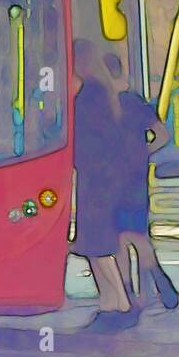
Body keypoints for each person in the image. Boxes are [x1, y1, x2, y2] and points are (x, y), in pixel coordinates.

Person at [105, 52, 179, 311]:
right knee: (137, 234)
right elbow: (163, 135)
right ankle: (158, 276)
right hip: (136, 177)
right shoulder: (135, 102)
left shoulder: (103, 105)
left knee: (118, 239)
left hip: (111, 178)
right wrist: (144, 152)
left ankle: (127, 291)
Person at [71, 39, 137, 328]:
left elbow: (88, 138)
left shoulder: (90, 94)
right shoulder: (102, 91)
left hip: (96, 179)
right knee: (94, 244)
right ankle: (109, 304)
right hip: (103, 178)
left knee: (96, 245)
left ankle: (120, 304)